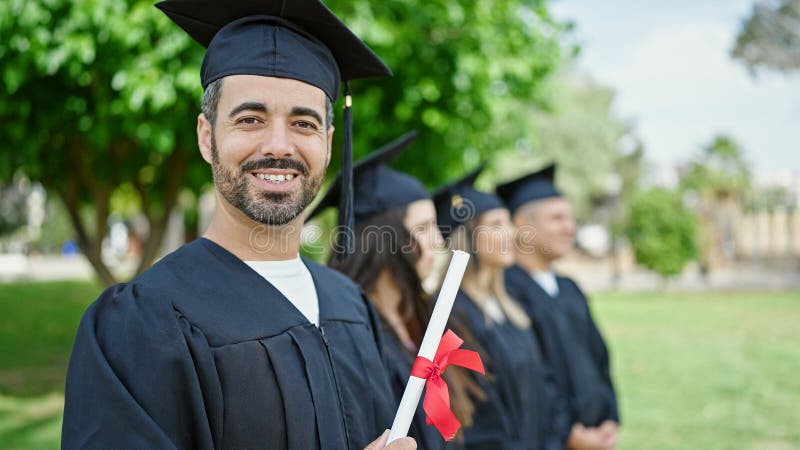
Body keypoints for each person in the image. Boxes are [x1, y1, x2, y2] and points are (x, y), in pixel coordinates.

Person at [62, 1, 416, 449]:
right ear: (207, 136)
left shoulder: (351, 305)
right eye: (250, 119)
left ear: (328, 143)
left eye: (303, 123)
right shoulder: (143, 323)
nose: (278, 145)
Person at [310, 131, 481, 450]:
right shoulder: (348, 337)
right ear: (385, 241)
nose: (437, 241)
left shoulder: (418, 319)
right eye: (422, 228)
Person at [433, 166, 560, 450]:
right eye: (496, 224)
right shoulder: (448, 318)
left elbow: (547, 387)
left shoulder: (513, 305)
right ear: (467, 237)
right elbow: (470, 418)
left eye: (508, 223)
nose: (512, 233)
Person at [497, 164, 620, 450]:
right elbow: (535, 380)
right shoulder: (508, 293)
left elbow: (599, 356)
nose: (570, 228)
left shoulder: (569, 287)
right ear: (522, 225)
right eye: (557, 218)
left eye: (570, 218)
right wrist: (570, 435)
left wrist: (609, 418)